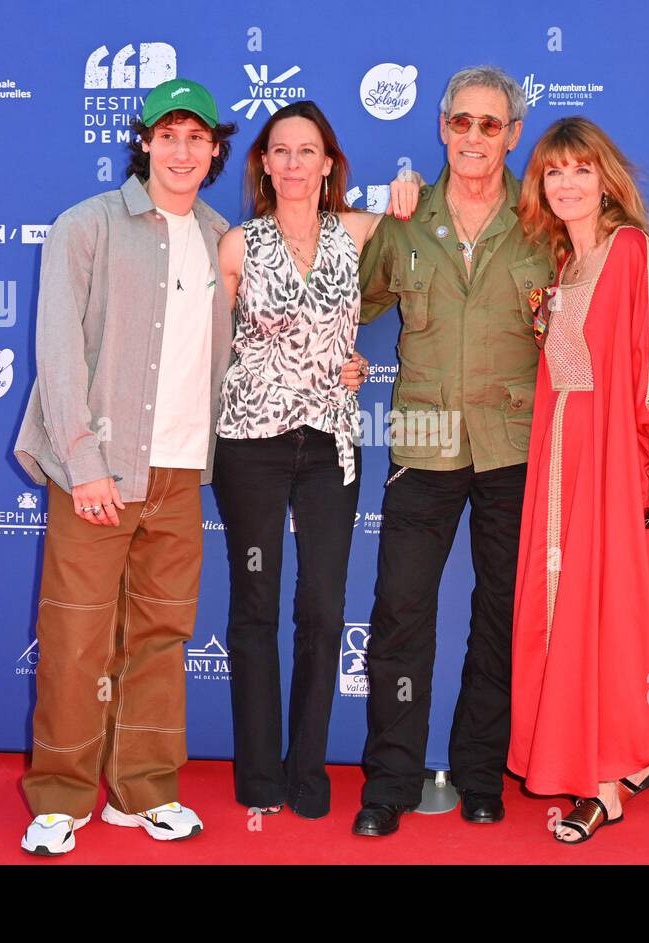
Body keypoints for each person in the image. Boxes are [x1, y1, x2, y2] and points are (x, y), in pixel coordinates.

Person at [346, 66, 649, 837]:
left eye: (491, 125)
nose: (474, 137)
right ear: (441, 127)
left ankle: (479, 776)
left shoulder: (543, 228)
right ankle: (390, 783)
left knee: (504, 619)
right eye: (461, 122)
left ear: (511, 135)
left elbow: (617, 309)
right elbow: (348, 302)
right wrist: (362, 217)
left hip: (519, 451)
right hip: (425, 443)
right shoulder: (404, 219)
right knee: (400, 615)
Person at [11, 78, 237, 855]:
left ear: (215, 150)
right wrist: (84, 462)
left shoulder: (221, 236)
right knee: (76, 641)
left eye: (196, 138)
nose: (181, 151)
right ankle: (62, 797)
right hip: (98, 469)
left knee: (161, 637)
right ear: (145, 142)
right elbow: (59, 351)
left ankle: (142, 791)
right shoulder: (88, 226)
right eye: (167, 135)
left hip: (180, 472)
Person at [214, 101, 418, 819]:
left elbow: (430, 239)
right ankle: (258, 773)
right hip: (250, 443)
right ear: (264, 164)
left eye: (308, 151)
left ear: (330, 163)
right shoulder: (236, 245)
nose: (295, 163)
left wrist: (411, 191)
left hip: (331, 444)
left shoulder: (361, 234)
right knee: (255, 608)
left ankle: (308, 765)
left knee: (324, 610)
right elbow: (212, 349)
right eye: (281, 151)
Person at [508, 116, 649, 844]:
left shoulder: (631, 252)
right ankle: (593, 764)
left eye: (581, 170)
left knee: (605, 616)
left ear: (606, 179)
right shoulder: (564, 268)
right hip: (560, 461)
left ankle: (606, 782)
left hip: (614, 460)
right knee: (562, 615)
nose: (566, 184)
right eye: (554, 172)